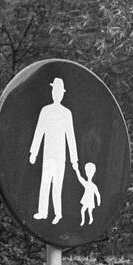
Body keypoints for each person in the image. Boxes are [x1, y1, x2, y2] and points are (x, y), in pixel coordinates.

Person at [29, 77, 80, 225]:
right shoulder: (45, 111)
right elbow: (39, 131)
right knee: (45, 183)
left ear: (62, 94)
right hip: (48, 155)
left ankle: (58, 213)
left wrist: (74, 160)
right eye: (54, 90)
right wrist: (34, 152)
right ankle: (42, 212)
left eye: (59, 91)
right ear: (52, 92)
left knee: (57, 185)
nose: (56, 93)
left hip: (60, 156)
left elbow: (71, 137)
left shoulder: (66, 113)